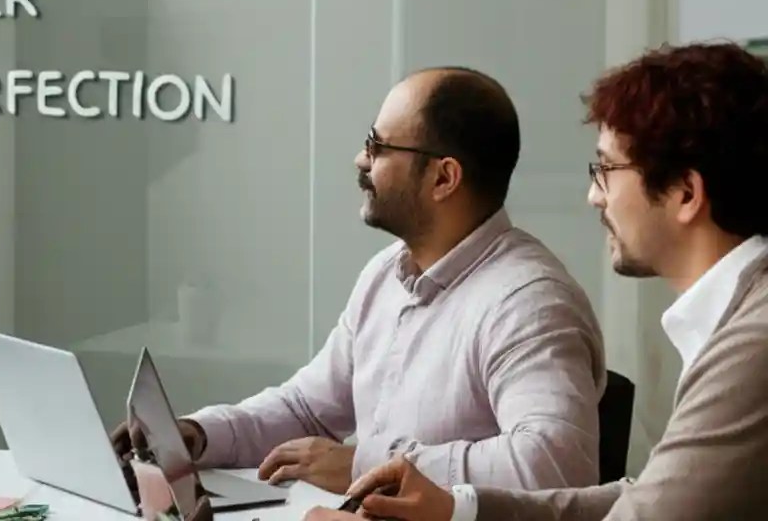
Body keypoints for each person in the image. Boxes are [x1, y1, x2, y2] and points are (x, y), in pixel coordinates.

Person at [316, 41, 768, 520]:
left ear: (685, 193)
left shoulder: (753, 348)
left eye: (606, 169)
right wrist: (458, 510)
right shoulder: (742, 320)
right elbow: (648, 494)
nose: (594, 196)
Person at [115, 67, 607, 494]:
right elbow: (308, 408)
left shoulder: (529, 303)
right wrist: (199, 435)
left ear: (444, 178)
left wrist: (371, 464)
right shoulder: (386, 274)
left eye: (377, 145)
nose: (360, 159)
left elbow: (557, 466)